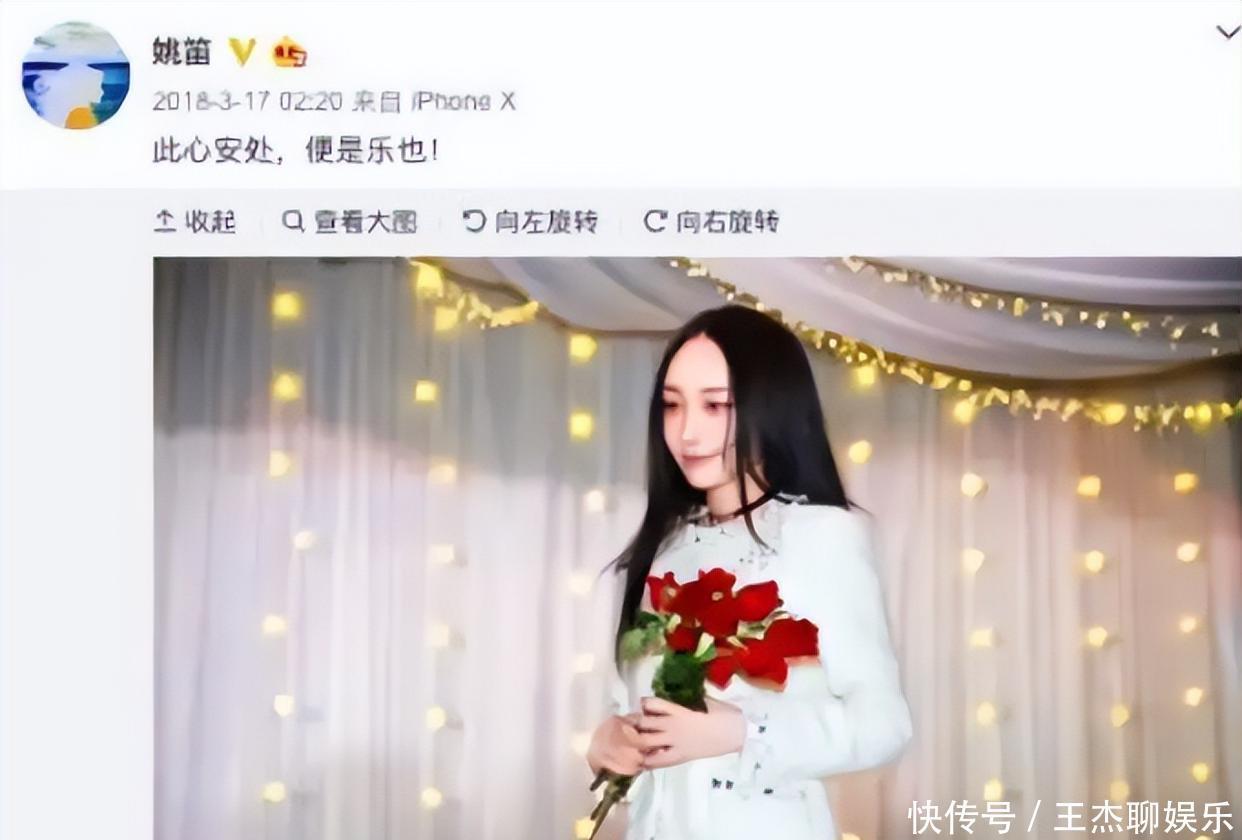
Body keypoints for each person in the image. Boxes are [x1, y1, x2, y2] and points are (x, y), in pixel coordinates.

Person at [586, 305, 913, 840]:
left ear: (771, 407)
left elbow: (885, 724)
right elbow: (631, 705)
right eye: (672, 405)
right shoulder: (660, 551)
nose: (687, 432)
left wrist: (742, 731)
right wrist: (611, 739)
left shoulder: (820, 535)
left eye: (715, 405)